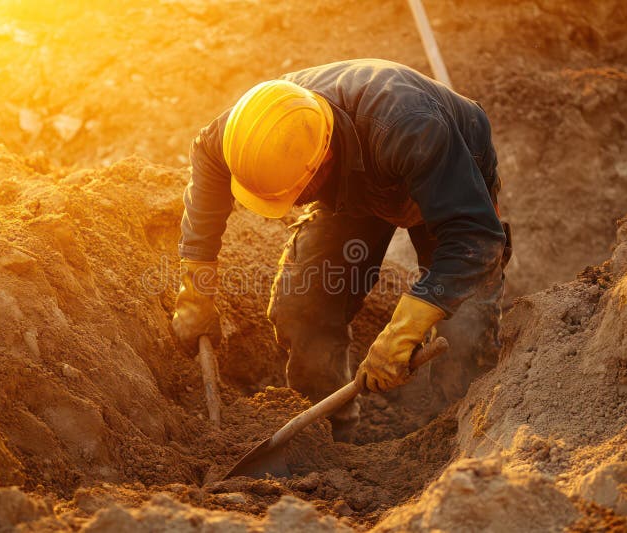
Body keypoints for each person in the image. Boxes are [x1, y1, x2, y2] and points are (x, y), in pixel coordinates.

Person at [172, 58, 512, 441]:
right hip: (357, 183)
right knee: (304, 307)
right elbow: (207, 156)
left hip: (449, 170)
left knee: (463, 330)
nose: (294, 204)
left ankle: (457, 443)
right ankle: (327, 438)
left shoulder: (412, 129)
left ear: (323, 162)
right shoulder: (259, 125)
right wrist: (196, 288)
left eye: (297, 195)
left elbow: (474, 238)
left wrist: (404, 331)